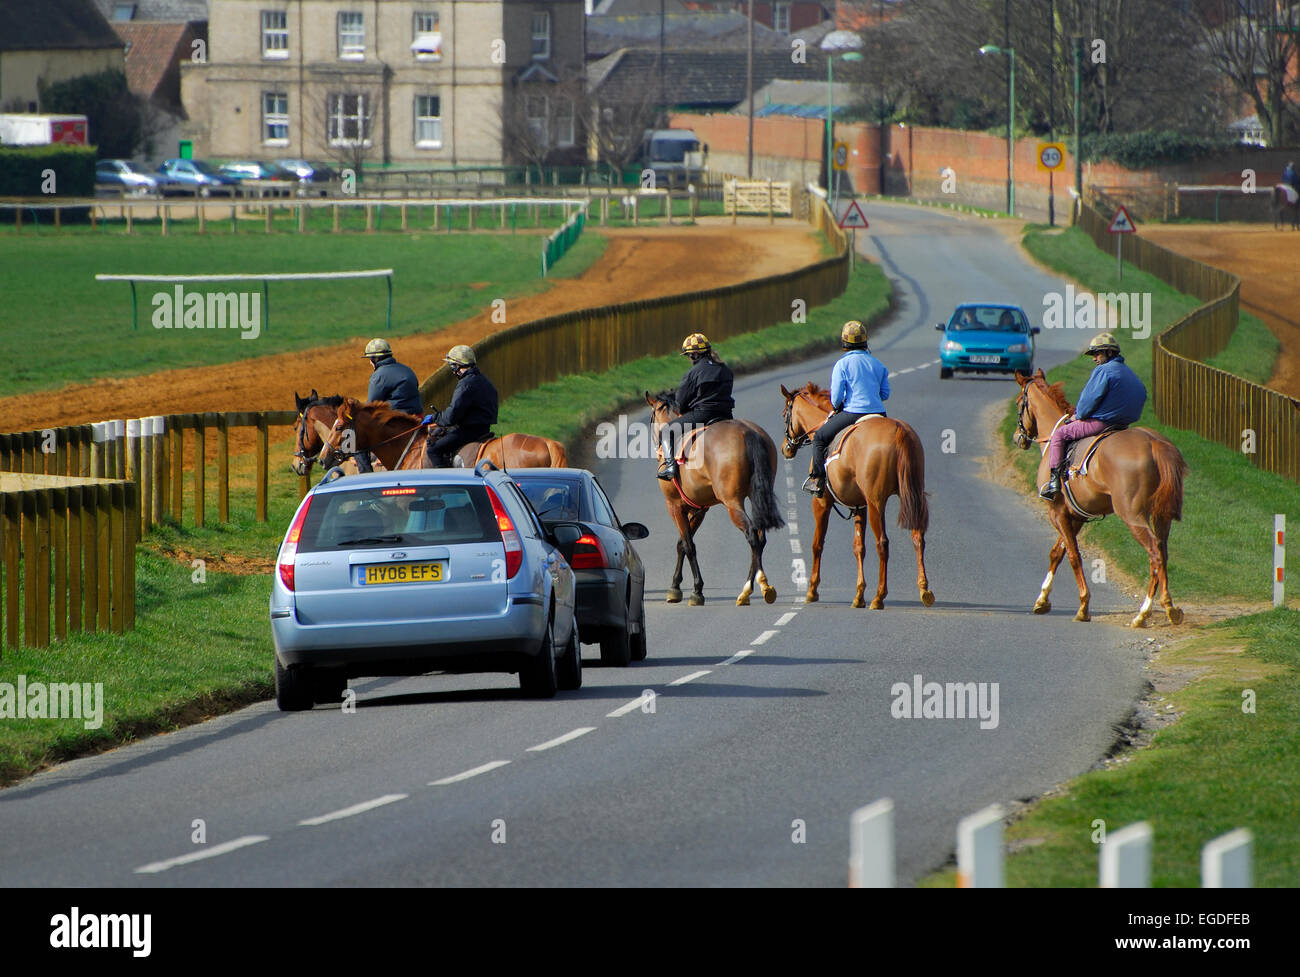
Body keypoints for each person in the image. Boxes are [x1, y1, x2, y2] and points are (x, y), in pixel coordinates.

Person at [1040, 332, 1147, 500]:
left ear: (1109, 353)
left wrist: (1078, 416)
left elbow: (1088, 402)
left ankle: (1053, 482)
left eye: (1097, 353)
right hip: (1124, 425)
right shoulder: (1129, 372)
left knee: (1060, 434)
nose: (1094, 358)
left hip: (1102, 423)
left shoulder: (1104, 371)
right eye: (1093, 354)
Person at [805, 320, 890, 498]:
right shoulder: (878, 364)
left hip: (853, 413)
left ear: (844, 342)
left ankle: (818, 480)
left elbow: (835, 398)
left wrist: (839, 406)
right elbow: (884, 394)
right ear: (865, 340)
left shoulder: (841, 365)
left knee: (819, 437)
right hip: (879, 414)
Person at [657, 333, 734, 481]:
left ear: (695, 354)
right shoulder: (725, 369)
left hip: (703, 415)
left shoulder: (693, 373)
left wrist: (683, 409)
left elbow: (680, 403)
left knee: (666, 431)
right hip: (726, 415)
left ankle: (670, 468)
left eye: (689, 355)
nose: (689, 359)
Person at [423, 345, 499, 468]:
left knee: (434, 450)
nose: (452, 370)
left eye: (452, 366)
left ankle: (448, 483)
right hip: (484, 429)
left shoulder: (465, 384)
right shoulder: (485, 380)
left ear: (457, 366)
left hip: (468, 432)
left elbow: (452, 416)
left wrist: (434, 417)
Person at [355, 339, 422, 472]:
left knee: (356, 439)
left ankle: (365, 474)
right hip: (417, 418)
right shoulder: (407, 370)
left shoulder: (378, 376)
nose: (369, 362)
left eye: (369, 359)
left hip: (394, 423)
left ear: (375, 359)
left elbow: (372, 407)